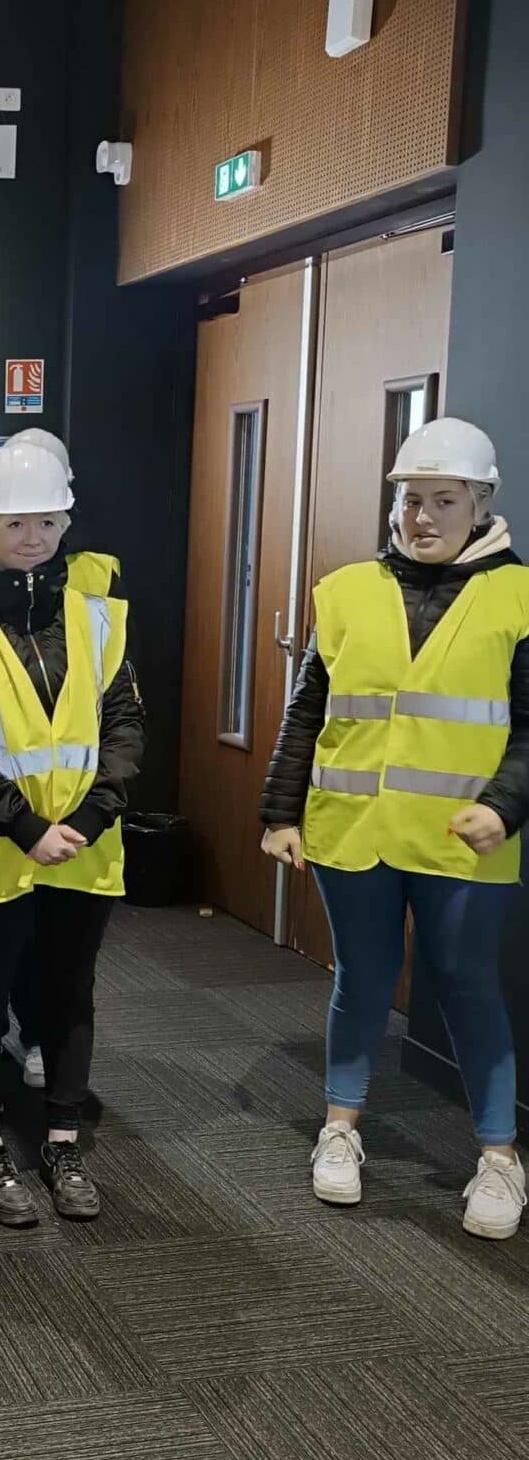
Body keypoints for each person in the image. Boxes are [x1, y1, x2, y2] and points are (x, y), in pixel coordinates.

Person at [261, 417, 526, 1239]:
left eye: (444, 499)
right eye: (412, 498)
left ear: (481, 503)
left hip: (463, 835)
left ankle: (499, 1157)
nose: (423, 516)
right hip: (353, 831)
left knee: (468, 985)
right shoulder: (343, 592)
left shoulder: (518, 597)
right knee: (362, 981)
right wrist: (280, 810)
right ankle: (339, 1130)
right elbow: (308, 708)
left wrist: (506, 805)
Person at [0, 442, 142, 1226]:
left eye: (46, 521)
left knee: (68, 997)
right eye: (16, 522)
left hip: (83, 849)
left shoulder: (98, 618)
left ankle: (61, 1139)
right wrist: (25, 827)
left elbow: (124, 727)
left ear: (64, 522)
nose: (32, 536)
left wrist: (81, 822)